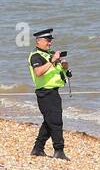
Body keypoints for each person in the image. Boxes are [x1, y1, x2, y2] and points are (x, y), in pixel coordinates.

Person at [28, 28, 70, 160]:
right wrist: (52, 61)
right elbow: (39, 72)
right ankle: (59, 150)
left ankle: (37, 149)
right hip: (45, 93)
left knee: (49, 121)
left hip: (54, 92)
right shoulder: (36, 56)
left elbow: (61, 70)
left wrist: (64, 65)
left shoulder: (50, 54)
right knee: (56, 122)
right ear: (38, 42)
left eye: (50, 41)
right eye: (47, 40)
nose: (50, 43)